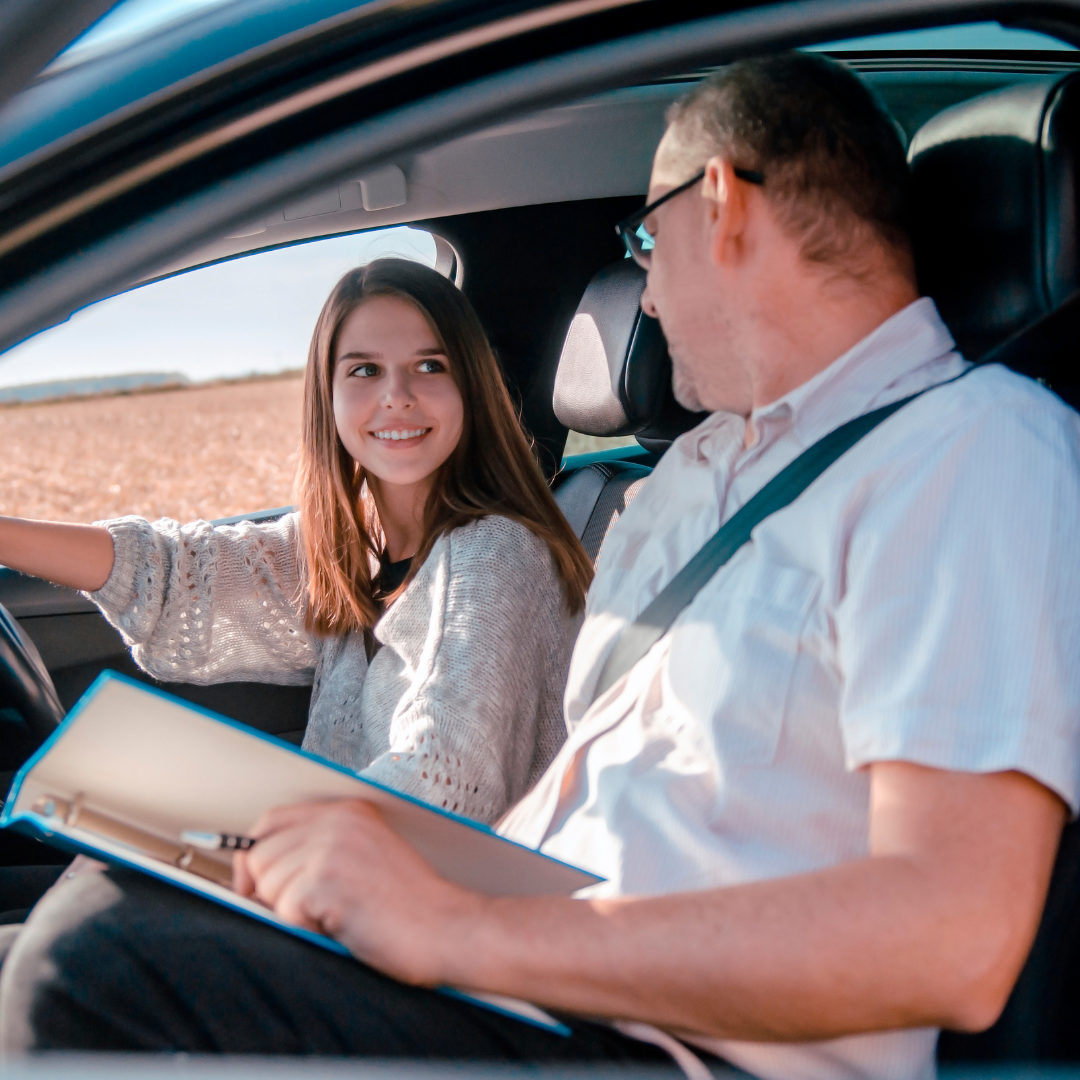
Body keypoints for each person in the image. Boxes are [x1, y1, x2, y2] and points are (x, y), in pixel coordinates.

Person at [2, 51, 1078, 1080]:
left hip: (670, 1044)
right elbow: (238, 574)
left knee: (96, 963)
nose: (643, 298)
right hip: (540, 985)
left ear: (723, 205)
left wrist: (460, 931)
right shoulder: (702, 478)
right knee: (126, 878)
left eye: (646, 246)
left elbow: (952, 939)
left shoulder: (976, 451)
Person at [0, 258, 592, 825]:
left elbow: (444, 781)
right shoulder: (353, 545)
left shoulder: (496, 555)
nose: (397, 395)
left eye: (430, 366)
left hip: (417, 905)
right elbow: (178, 573)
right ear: (327, 396)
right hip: (340, 877)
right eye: (364, 370)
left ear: (473, 386)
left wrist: (251, 830)